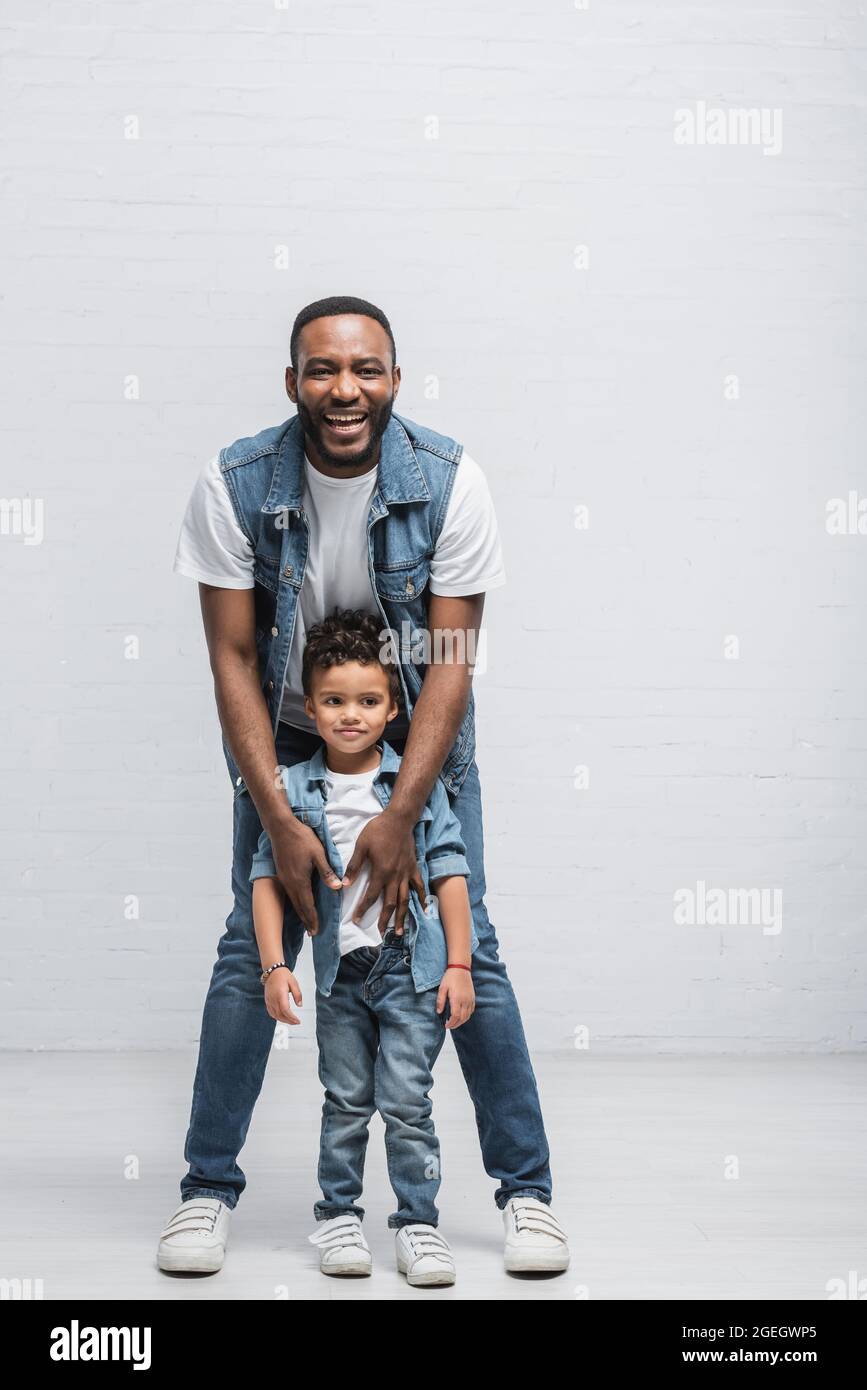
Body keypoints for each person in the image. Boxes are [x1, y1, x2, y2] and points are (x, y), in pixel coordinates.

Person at [157, 294, 569, 1276]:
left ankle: (529, 1196)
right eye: (323, 369)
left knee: (464, 952)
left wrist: (400, 811)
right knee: (246, 948)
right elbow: (233, 655)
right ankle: (206, 1192)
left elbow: (454, 660)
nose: (346, 389)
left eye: (366, 369)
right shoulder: (234, 484)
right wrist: (276, 809)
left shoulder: (452, 481)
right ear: (293, 380)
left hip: (417, 734)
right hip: (286, 742)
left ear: (395, 378)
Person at [252, 608, 476, 1286]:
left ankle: (417, 1226)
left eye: (368, 700)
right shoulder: (291, 789)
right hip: (340, 976)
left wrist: (460, 966)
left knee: (408, 1102)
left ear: (392, 707)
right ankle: (339, 1217)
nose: (351, 714)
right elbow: (266, 879)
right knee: (345, 1099)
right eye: (334, 700)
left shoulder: (416, 786)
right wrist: (274, 965)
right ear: (309, 707)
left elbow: (450, 873)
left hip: (410, 970)